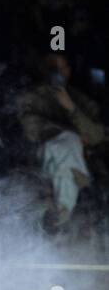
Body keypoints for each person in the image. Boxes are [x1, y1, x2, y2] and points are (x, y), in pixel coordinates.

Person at [17, 52, 105, 230]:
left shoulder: (80, 99)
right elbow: (32, 130)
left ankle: (61, 214)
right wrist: (75, 133)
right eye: (52, 68)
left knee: (67, 160)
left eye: (61, 68)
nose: (57, 72)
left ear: (68, 71)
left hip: (79, 159)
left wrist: (72, 108)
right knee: (66, 146)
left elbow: (97, 135)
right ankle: (63, 211)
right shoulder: (31, 97)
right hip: (44, 154)